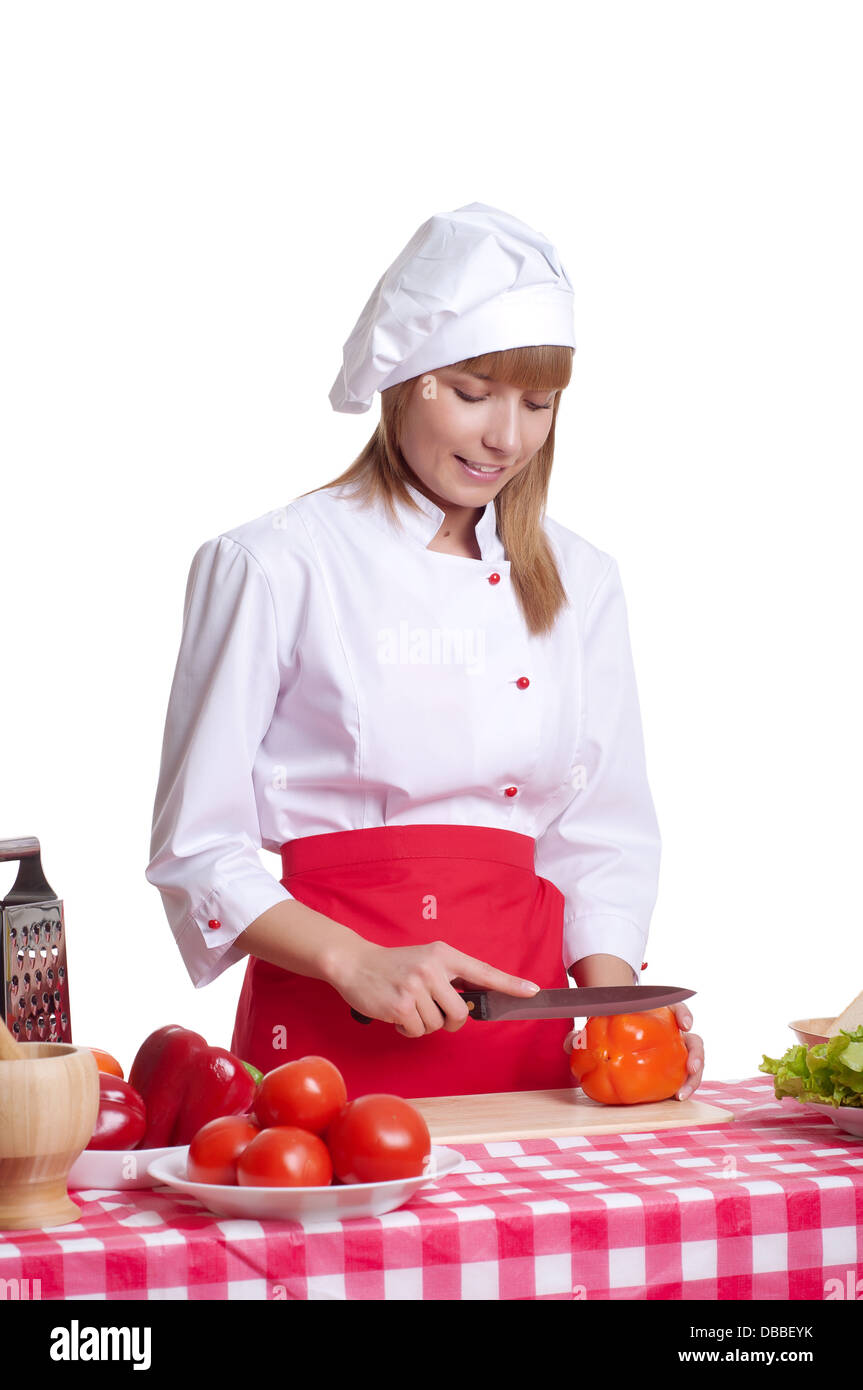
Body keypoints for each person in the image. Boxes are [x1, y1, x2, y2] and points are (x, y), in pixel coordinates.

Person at [145, 201, 704, 1101]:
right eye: (474, 393)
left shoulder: (580, 578)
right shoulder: (274, 564)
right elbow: (198, 846)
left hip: (532, 1039)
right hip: (330, 1034)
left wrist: (617, 1009)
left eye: (536, 403)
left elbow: (599, 832)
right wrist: (355, 961)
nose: (506, 438)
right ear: (405, 380)